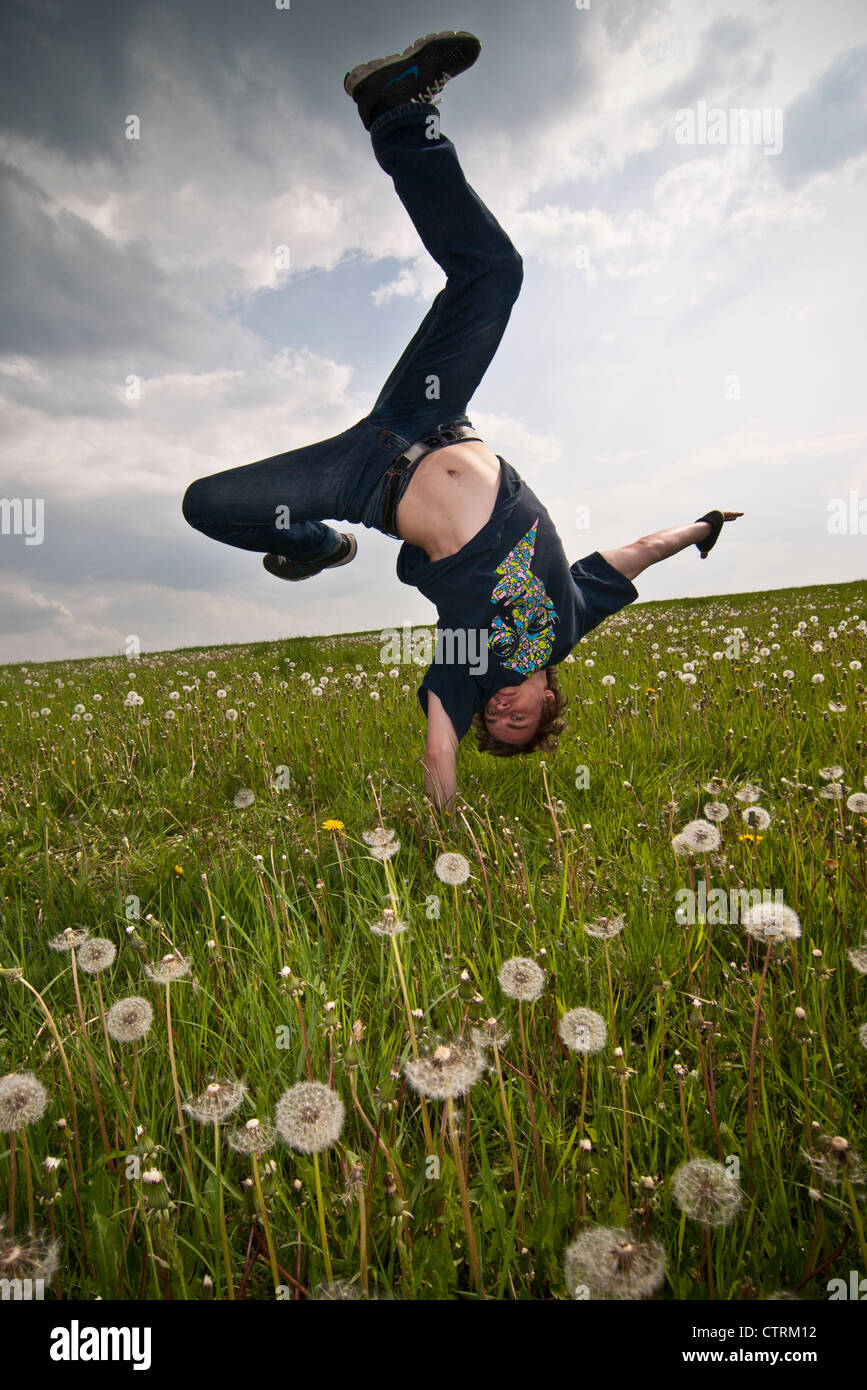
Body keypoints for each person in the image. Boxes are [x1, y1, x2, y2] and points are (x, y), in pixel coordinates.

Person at [182, 31, 742, 817]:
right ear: (551, 699)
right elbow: (636, 554)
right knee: (494, 273)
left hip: (363, 479)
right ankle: (396, 112)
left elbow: (437, 750)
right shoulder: (574, 616)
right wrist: (702, 525)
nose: (504, 715)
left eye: (497, 725)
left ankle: (318, 546)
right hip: (434, 413)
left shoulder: (464, 662)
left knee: (204, 505)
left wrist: (451, 842)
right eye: (523, 721)